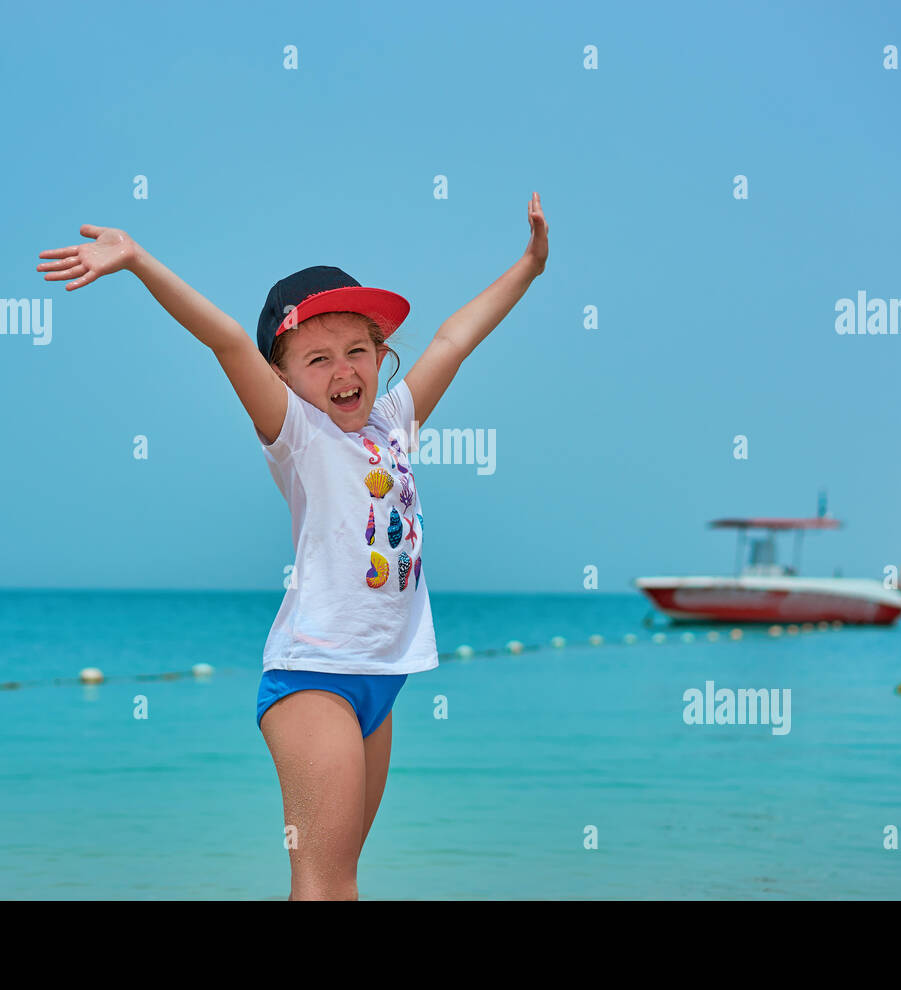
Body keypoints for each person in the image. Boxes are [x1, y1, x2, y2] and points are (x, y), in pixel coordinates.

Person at [36, 193, 549, 899]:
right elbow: (224, 339)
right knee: (325, 882)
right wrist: (138, 261)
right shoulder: (297, 433)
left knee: (335, 882)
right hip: (314, 679)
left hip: (380, 678)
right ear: (282, 376)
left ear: (379, 355)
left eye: (357, 351)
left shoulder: (394, 422)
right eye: (317, 358)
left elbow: (454, 339)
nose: (343, 371)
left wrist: (528, 267)